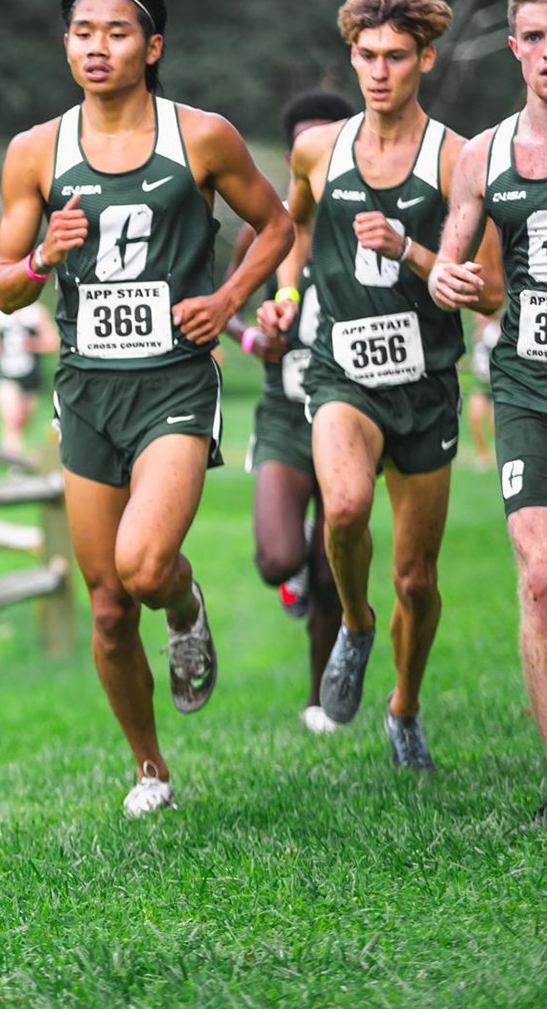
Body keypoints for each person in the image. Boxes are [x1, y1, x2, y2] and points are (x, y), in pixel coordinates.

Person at [0, 0, 292, 815]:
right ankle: (150, 767)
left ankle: (187, 603)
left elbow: (276, 225)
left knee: (145, 563)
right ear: (66, 46)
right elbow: (3, 287)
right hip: (87, 389)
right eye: (83, 32)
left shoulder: (201, 138)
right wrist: (44, 256)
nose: (97, 46)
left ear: (152, 48)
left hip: (174, 384)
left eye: (117, 33)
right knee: (110, 604)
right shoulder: (34, 153)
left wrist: (229, 300)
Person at [258, 0, 501, 771]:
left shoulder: (460, 159)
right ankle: (355, 627)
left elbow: (490, 286)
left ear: (426, 58)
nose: (379, 71)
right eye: (366, 56)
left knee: (419, 582)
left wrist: (412, 250)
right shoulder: (318, 149)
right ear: (352, 57)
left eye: (396, 56)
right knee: (345, 511)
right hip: (342, 374)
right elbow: (293, 227)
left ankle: (404, 705)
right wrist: (289, 293)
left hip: (426, 383)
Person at [429, 0, 547, 826]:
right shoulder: (485, 155)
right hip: (526, 384)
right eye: (536, 38)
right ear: (514, 48)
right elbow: (448, 268)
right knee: (541, 577)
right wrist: (452, 280)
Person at [225, 89, 351, 735]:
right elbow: (227, 304)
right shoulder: (269, 222)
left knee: (334, 574)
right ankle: (297, 569)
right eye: (309, 143)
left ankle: (320, 698)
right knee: (279, 559)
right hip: (284, 410)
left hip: (352, 408)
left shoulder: (366, 217)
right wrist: (254, 336)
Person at [0, 302, 59, 455]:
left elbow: (53, 342)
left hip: (30, 375)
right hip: (5, 374)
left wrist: (34, 344)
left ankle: (14, 455)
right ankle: (14, 464)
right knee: (13, 419)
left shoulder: (36, 312)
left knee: (22, 422)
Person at [467, 312, 500, 471]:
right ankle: (482, 454)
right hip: (481, 385)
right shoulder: (476, 333)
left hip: (497, 386)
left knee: (495, 426)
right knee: (474, 419)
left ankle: (501, 455)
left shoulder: (495, 331)